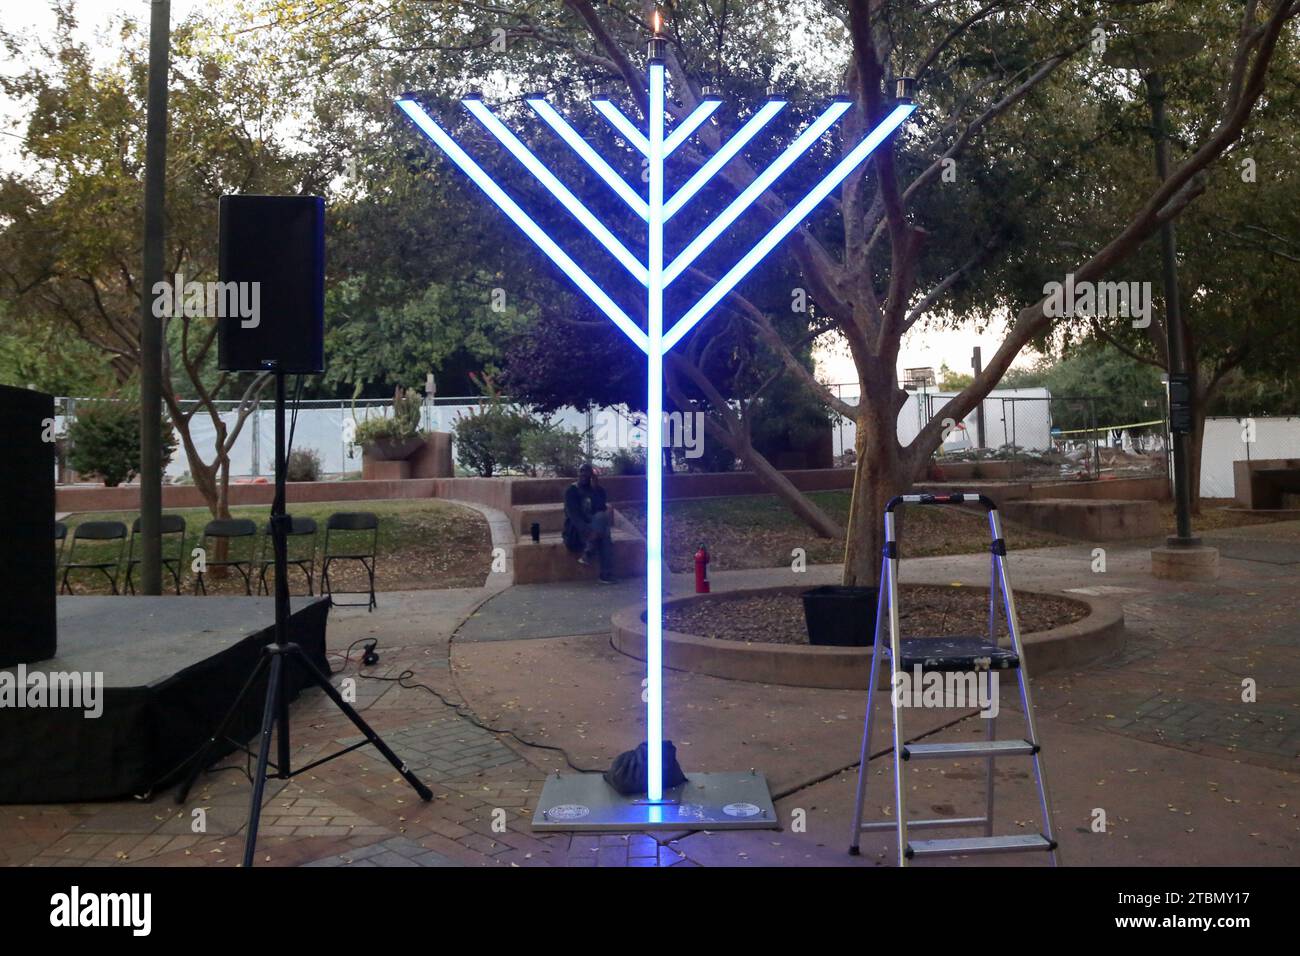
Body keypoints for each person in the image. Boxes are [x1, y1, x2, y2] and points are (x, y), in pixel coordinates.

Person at [563, 462, 614, 584]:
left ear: (592, 476)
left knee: (603, 523)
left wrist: (595, 489)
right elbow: (574, 517)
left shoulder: (599, 491)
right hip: (577, 532)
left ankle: (589, 552)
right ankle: (605, 575)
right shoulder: (571, 491)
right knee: (605, 533)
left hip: (594, 531)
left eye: (587, 472)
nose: (583, 475)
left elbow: (601, 508)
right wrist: (589, 532)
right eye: (581, 471)